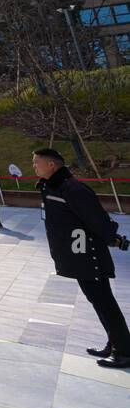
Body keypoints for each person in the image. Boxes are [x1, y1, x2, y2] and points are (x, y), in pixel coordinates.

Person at [34, 147, 130, 369]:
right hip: (78, 256)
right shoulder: (54, 187)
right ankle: (115, 342)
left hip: (89, 256)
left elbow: (97, 220)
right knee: (98, 301)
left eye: (37, 162)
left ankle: (124, 351)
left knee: (105, 302)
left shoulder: (73, 189)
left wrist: (113, 238)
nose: (34, 166)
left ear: (52, 165)